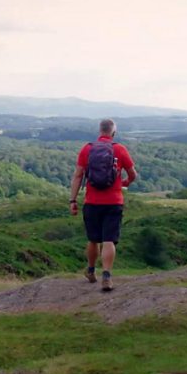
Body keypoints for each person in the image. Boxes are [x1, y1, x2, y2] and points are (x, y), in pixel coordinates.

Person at [69, 119, 137, 291]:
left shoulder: (87, 149)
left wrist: (73, 200)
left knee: (93, 239)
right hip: (114, 202)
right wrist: (126, 182)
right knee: (109, 240)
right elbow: (133, 174)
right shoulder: (120, 149)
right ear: (113, 132)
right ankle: (106, 276)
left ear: (100, 131)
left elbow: (78, 176)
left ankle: (91, 270)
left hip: (92, 202)